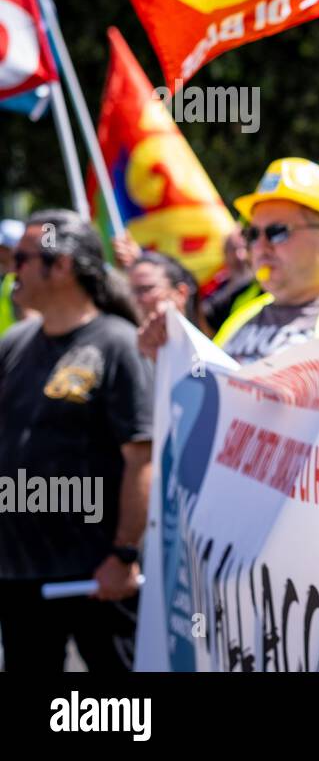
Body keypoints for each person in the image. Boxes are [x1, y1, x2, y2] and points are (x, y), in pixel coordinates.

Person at [0, 210, 151, 671]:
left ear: (61, 265)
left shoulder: (119, 344)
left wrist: (124, 555)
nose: (11, 268)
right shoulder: (15, 342)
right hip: (19, 574)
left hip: (93, 576)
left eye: (22, 258)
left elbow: (140, 459)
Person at [143, 158, 319, 365]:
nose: (260, 246)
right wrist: (170, 360)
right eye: (252, 233)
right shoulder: (242, 318)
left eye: (277, 232)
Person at [129, 250, 210, 347]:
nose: (136, 299)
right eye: (132, 291)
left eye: (146, 289)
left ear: (181, 293)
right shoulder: (131, 345)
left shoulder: (205, 354)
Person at [201, 227, 259, 334]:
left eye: (244, 248)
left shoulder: (265, 287)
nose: (239, 256)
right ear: (224, 254)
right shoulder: (215, 286)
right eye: (233, 249)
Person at [0, 218, 29, 337]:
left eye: (2, 247)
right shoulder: (6, 277)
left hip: (13, 351)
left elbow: (28, 321)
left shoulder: (19, 281)